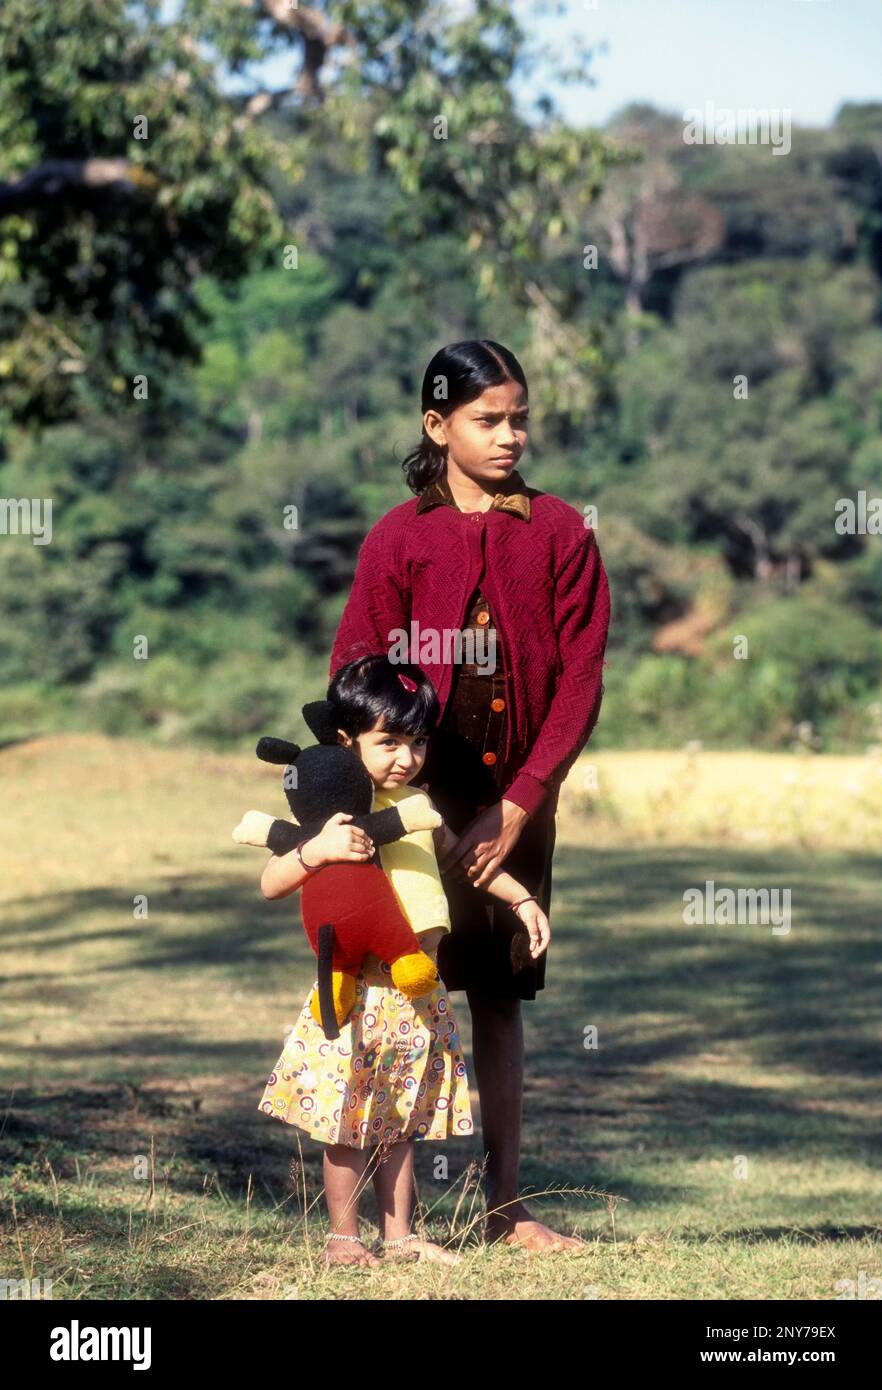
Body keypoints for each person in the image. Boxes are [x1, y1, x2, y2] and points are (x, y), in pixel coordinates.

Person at [330, 339, 611, 1252]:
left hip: (517, 810)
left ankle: (504, 1208)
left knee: (498, 998)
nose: (509, 435)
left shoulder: (561, 533)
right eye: (488, 419)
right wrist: (408, 804)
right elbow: (353, 673)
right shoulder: (397, 539)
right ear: (436, 425)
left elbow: (580, 682)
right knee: (395, 1002)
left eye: (519, 417)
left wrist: (521, 802)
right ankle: (383, 1221)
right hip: (413, 814)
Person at [257, 655, 551, 1265]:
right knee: (343, 1114)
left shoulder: (419, 808)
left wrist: (521, 899)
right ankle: (343, 1237)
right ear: (347, 741)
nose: (405, 757)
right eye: (387, 741)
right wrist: (318, 850)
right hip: (355, 992)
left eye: (416, 742)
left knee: (402, 1116)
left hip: (418, 995)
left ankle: (402, 1235)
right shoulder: (334, 816)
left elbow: (471, 866)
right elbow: (271, 880)